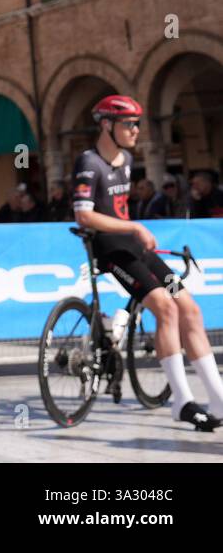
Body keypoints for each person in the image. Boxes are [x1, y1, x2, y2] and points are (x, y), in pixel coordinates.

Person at [72, 95, 223, 431]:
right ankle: (182, 401)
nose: (136, 130)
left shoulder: (125, 159)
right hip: (110, 250)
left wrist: (135, 232)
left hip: (135, 247)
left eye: (138, 123)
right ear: (107, 125)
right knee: (165, 308)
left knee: (191, 309)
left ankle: (218, 398)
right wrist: (135, 227)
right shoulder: (89, 163)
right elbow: (83, 215)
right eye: (129, 124)